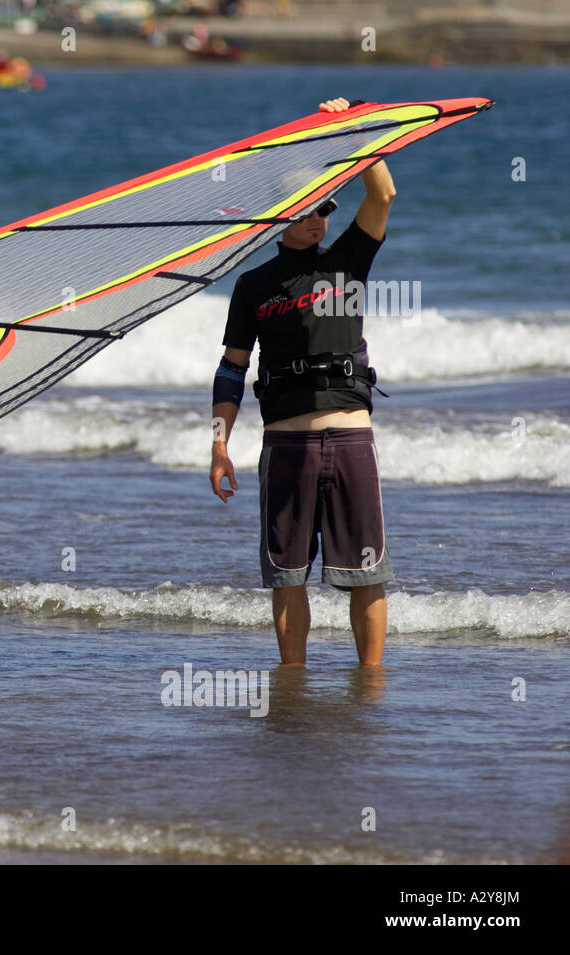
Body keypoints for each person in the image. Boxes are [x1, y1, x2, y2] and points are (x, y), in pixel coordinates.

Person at [209, 96, 394, 668]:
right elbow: (231, 369)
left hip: (348, 436)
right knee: (287, 575)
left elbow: (383, 193)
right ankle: (291, 678)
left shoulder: (348, 262)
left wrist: (356, 122)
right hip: (285, 443)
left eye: (326, 209)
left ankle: (371, 682)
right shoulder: (252, 285)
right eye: (309, 209)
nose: (320, 219)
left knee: (366, 572)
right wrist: (219, 443)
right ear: (282, 213)